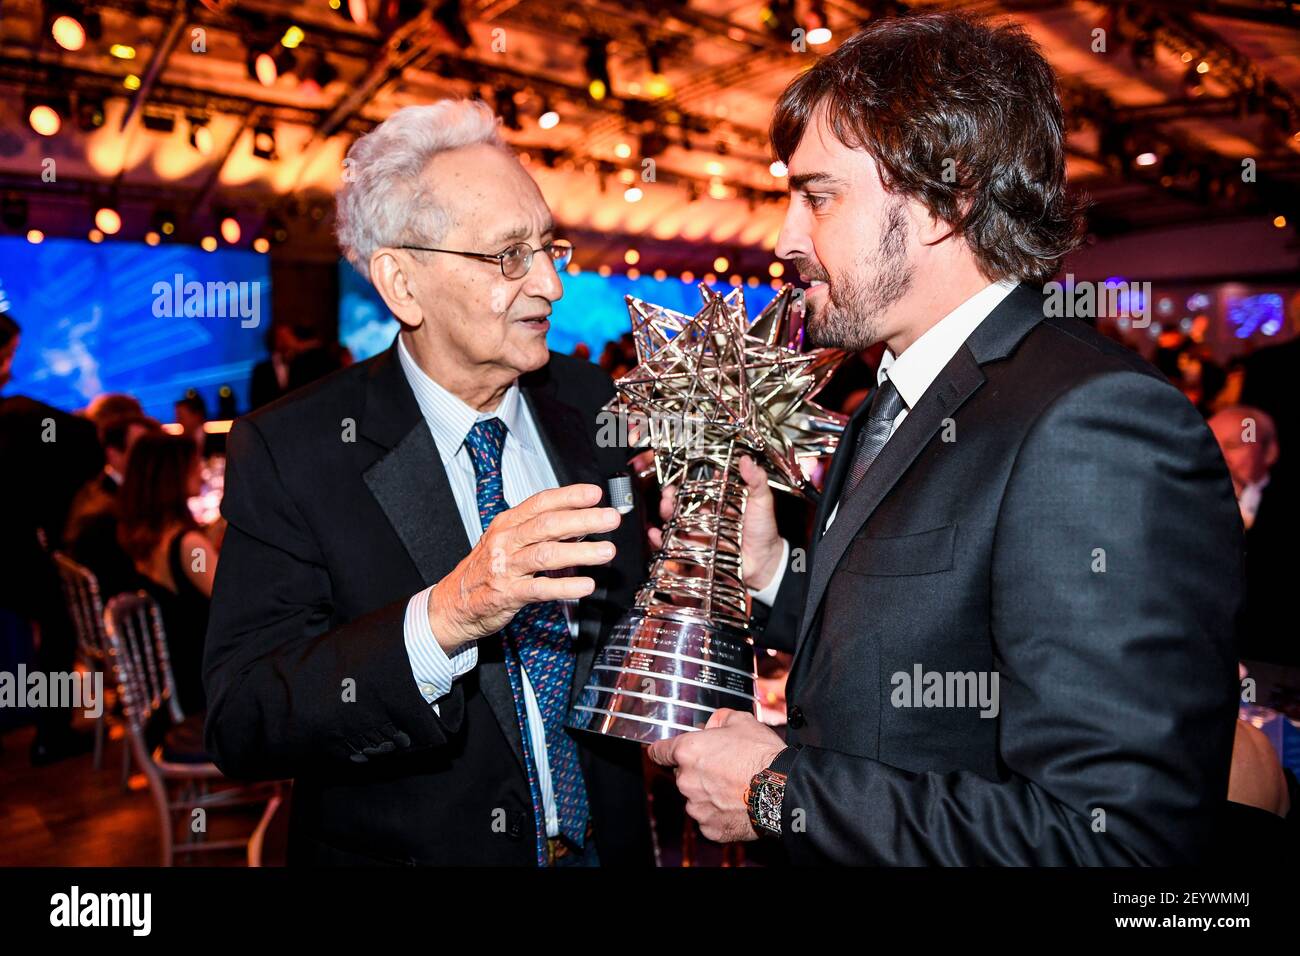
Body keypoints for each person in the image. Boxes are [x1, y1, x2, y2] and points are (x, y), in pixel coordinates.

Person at [648, 13, 1242, 865]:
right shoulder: (890, 399)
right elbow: (921, 620)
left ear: (944, 198)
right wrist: (771, 568)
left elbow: (1121, 845)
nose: (783, 239)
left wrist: (781, 793)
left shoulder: (1095, 423)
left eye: (817, 196)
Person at [204, 100, 653, 866]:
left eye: (549, 247)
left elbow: (631, 630)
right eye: (509, 255)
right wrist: (447, 616)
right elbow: (244, 717)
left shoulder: (592, 403)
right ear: (402, 284)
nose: (550, 284)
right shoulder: (294, 450)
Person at [0, 314, 106, 763]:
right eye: (8, 354)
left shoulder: (19, 414)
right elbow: (80, 444)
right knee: (58, 628)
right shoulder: (19, 415)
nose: (11, 365)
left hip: (18, 543)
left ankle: (48, 729)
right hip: (15, 545)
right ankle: (50, 733)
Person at [117, 433, 217, 716]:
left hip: (174, 677)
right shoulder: (187, 545)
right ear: (173, 476)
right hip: (205, 687)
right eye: (194, 464)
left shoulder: (146, 537)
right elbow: (235, 603)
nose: (201, 470)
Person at [1209, 406, 1297, 664]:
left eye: (1233, 445)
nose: (1220, 455)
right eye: (1211, 444)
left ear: (1270, 452)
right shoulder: (1183, 499)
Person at [65, 409, 159, 599]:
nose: (152, 459)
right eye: (142, 450)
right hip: (129, 609)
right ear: (114, 455)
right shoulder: (108, 513)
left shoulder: (99, 490)